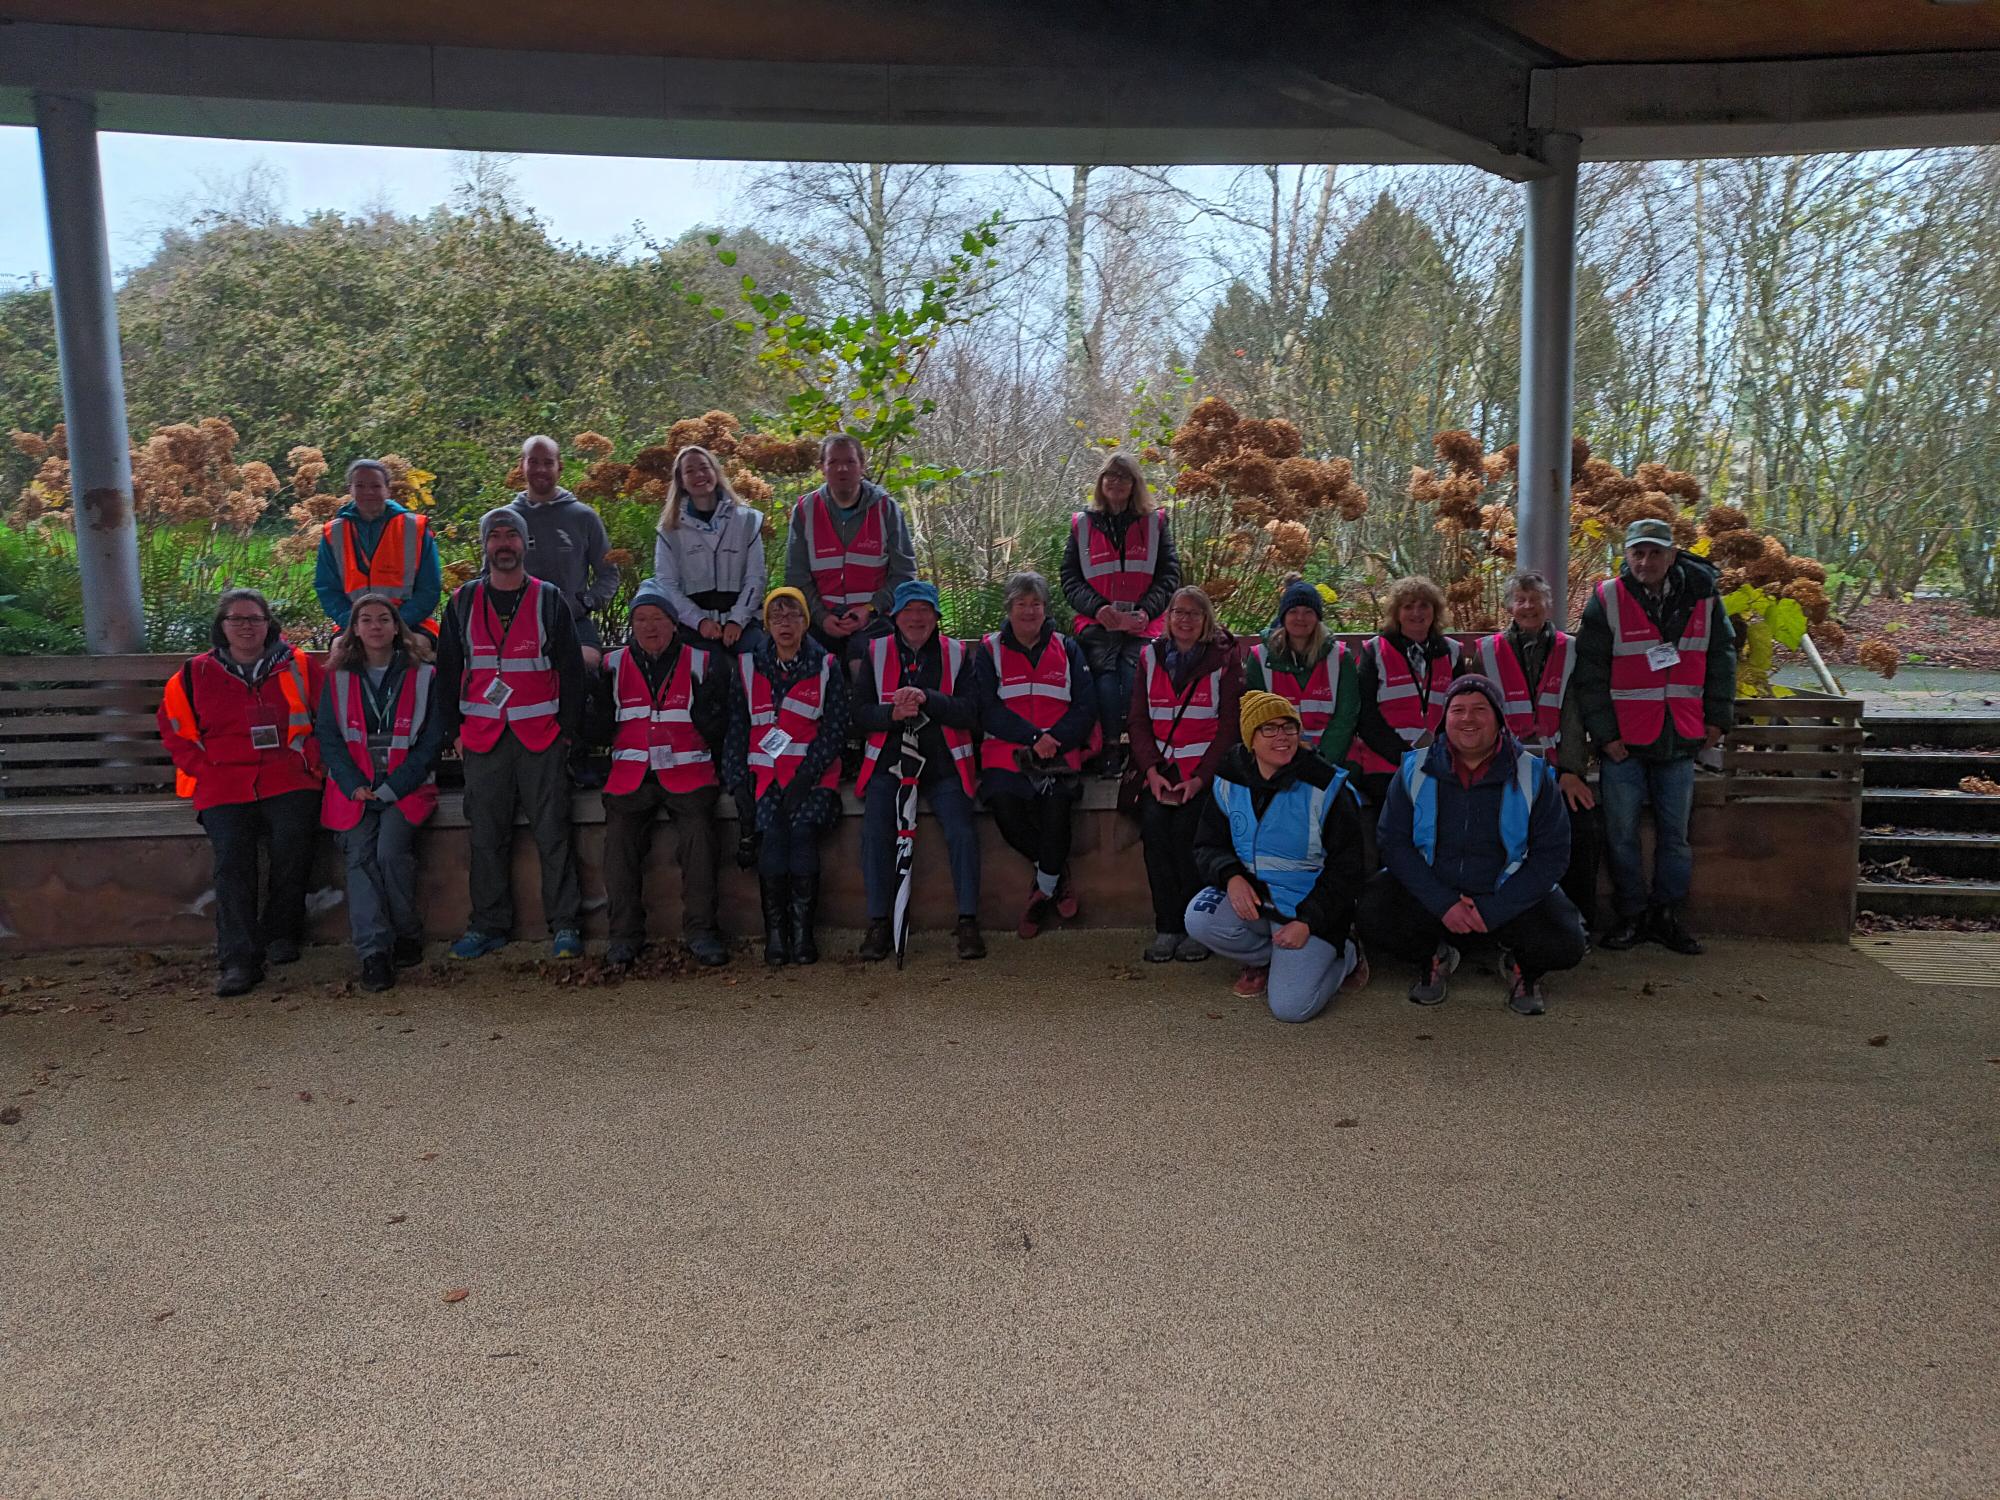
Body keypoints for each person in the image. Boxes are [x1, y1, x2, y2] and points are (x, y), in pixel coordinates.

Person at [1360, 675, 1588, 1016]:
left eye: (1480, 709)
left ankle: (1520, 966)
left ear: (1499, 719)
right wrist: (1444, 903)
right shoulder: (1414, 768)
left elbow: (1552, 855)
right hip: (1435, 897)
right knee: (1371, 910)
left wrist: (1495, 909)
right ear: (1445, 719)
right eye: (1458, 710)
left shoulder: (1534, 773)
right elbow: (1393, 843)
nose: (1468, 718)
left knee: (1566, 942)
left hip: (1505, 895)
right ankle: (1435, 956)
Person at [1574, 517, 1737, 955]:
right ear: (1626, 555)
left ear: (1672, 555)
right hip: (1623, 743)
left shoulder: (1703, 596)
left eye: (1655, 553)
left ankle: (1666, 915)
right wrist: (1605, 735)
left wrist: (1717, 719)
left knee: (1675, 835)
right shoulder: (1607, 598)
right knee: (1620, 833)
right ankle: (1631, 914)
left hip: (1680, 735)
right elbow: (1590, 674)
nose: (1645, 561)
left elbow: (1722, 658)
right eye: (1637, 553)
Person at [436, 508, 588, 961]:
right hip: (482, 738)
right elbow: (447, 671)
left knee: (553, 833)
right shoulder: (462, 601)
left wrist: (566, 733)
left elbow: (572, 672)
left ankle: (565, 924)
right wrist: (455, 733)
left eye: (511, 535)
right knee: (486, 836)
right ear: (485, 545)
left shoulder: (549, 600)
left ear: (524, 544)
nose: (503, 543)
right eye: (495, 536)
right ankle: (488, 925)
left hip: (541, 736)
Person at [157, 589, 324, 997]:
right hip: (223, 783)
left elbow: (330, 719)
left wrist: (312, 761)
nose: (246, 626)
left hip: (289, 776)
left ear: (269, 625)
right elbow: (174, 730)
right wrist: (203, 769)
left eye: (255, 618)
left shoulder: (300, 666)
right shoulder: (193, 674)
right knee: (232, 859)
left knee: (293, 842)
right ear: (222, 626)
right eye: (236, 619)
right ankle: (238, 959)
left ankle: (282, 933)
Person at [1184, 691, 1368, 1023]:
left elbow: (1348, 870)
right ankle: (1270, 959)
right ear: (1250, 739)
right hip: (1259, 901)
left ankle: (1347, 954)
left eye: (1289, 727)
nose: (1281, 736)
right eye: (1268, 728)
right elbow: (1208, 845)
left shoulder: (1326, 787)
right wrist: (1231, 876)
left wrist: (1308, 921)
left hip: (1311, 911)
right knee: (1199, 917)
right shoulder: (1230, 778)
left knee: (1291, 1008)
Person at [593, 580, 731, 970]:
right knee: (618, 845)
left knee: (700, 840)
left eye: (657, 618)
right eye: (641, 619)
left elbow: (722, 723)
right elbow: (597, 724)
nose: (649, 626)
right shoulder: (611, 665)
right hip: (631, 775)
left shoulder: (703, 662)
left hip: (688, 773)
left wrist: (707, 722)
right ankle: (623, 937)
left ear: (673, 623)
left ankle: (702, 933)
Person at [314, 591, 448, 992]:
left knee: (389, 852)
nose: (375, 626)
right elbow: (328, 736)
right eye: (366, 620)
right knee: (359, 856)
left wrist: (392, 787)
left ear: (396, 627)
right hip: (353, 790)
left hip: (406, 787)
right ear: (354, 629)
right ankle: (373, 951)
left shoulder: (424, 675)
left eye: (383, 619)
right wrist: (353, 784)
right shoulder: (337, 677)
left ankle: (406, 932)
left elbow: (431, 741)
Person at [852, 579, 985, 963]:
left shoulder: (957, 654)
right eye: (909, 610)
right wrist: (892, 714)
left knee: (962, 832)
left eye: (924, 610)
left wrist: (930, 699)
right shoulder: (875, 651)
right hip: (889, 764)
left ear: (936, 616)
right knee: (874, 832)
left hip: (943, 765)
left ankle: (968, 921)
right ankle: (879, 922)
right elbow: (858, 715)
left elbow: (971, 712)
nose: (916, 618)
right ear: (895, 616)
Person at [1468, 569, 1600, 933]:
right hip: (1502, 767)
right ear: (1509, 606)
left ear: (1548, 604)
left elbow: (1574, 715)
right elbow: (1479, 716)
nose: (1528, 606)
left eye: (1535, 599)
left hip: (1555, 766)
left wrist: (1571, 772)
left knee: (1581, 826)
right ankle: (1499, 920)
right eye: (1520, 599)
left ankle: (1577, 921)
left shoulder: (1570, 650)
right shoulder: (1487, 652)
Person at [724, 587, 849, 966]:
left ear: (805, 622)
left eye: (793, 615)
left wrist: (806, 776)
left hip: (813, 776)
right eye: (776, 617)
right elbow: (737, 729)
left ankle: (802, 934)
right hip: (764, 777)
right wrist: (738, 783)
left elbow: (835, 730)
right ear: (765, 625)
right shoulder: (747, 667)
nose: (785, 624)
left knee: (802, 835)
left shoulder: (826, 666)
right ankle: (776, 935)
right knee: (773, 839)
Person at [971, 571, 1099, 939]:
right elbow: (986, 708)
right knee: (1007, 814)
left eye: (1036, 604)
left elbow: (1085, 706)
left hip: (1059, 751)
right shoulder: (990, 650)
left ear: (1046, 608)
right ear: (1008, 607)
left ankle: (1041, 893)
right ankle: (1056, 874)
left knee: (1057, 812)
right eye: (1021, 604)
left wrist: (1053, 740)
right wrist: (1032, 737)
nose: (1029, 611)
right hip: (1006, 752)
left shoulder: (1068, 648)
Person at [1128, 586, 1240, 964]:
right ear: (1168, 617)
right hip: (1161, 772)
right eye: (1178, 612)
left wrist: (1201, 778)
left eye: (1194, 613)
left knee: (1191, 840)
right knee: (1155, 837)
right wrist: (1151, 770)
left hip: (1202, 773)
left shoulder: (1223, 659)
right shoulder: (1150, 656)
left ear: (1206, 619)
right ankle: (1167, 927)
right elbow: (1138, 720)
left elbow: (1228, 727)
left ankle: (1197, 929)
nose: (1185, 619)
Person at [1060, 453, 1181, 778]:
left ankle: (1138, 749)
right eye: (1109, 476)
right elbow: (1070, 579)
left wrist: (1146, 611)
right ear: (1100, 482)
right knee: (1103, 673)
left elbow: (1169, 574)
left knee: (1134, 671)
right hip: (1098, 620)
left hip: (1145, 621)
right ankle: (1110, 747)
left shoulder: (1155, 523)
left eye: (1123, 477)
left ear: (1135, 484)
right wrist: (1098, 608)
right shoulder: (1082, 524)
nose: (1115, 482)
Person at [784, 433, 917, 659]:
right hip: (820, 618)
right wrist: (822, 617)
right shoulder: (805, 510)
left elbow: (904, 574)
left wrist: (870, 609)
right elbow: (796, 576)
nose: (842, 469)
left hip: (875, 617)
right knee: (806, 656)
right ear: (822, 468)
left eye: (850, 461)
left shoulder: (886, 509)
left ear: (862, 466)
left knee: (864, 655)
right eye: (833, 462)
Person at [506, 434, 620, 669]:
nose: (541, 469)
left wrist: (586, 602)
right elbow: (487, 576)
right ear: (521, 465)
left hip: (571, 619)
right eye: (533, 461)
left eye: (548, 462)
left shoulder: (584, 517)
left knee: (585, 662)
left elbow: (609, 574)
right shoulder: (506, 519)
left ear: (560, 467)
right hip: (518, 622)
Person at [1350, 575, 1462, 803]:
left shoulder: (1451, 651)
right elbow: (1365, 714)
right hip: (1385, 764)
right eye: (1408, 606)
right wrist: (1404, 755)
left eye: (1424, 605)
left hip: (1439, 761)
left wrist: (1437, 752)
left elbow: (1460, 708)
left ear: (1435, 610)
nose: (1416, 613)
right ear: (1396, 613)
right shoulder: (1375, 651)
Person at [651, 443, 768, 655]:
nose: (699, 475)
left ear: (716, 472)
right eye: (690, 471)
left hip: (744, 624)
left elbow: (756, 578)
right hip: (693, 627)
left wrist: (737, 621)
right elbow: (666, 585)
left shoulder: (747, 520)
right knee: (704, 666)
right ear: (681, 481)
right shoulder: (669, 529)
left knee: (757, 658)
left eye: (704, 467)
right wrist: (700, 622)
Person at [312, 458, 442, 635]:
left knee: (418, 648)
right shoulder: (333, 532)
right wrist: (355, 623)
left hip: (410, 623)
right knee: (341, 649)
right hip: (354, 624)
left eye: (375, 486)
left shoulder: (415, 528)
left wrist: (395, 623)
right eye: (360, 485)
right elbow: (327, 588)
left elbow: (429, 588)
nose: (368, 492)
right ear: (350, 489)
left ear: (387, 490)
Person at [1243, 577, 1360, 769]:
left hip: (1332, 760)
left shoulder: (1340, 658)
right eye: (1293, 611)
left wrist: (1320, 763)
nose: (1300, 618)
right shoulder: (1260, 657)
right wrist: (1284, 761)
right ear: (1283, 617)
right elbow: (1258, 718)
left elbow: (1345, 719)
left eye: (1308, 612)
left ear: (1317, 618)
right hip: (1277, 759)